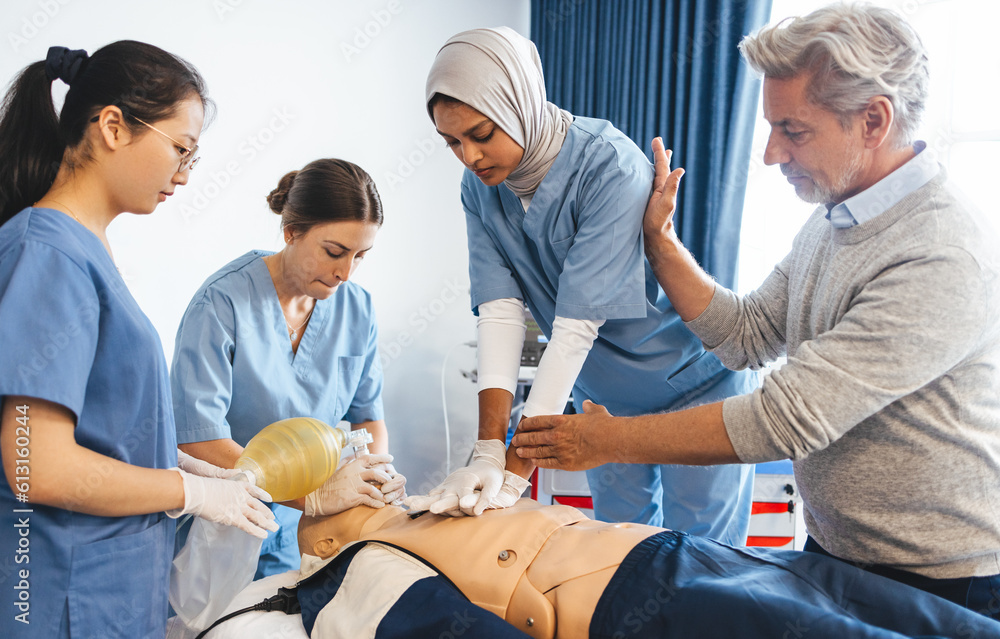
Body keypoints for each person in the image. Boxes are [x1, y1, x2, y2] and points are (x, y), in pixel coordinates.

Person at [513, 4, 1000, 621]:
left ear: (873, 120)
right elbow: (746, 336)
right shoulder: (834, 220)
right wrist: (661, 246)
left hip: (938, 579)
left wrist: (608, 441)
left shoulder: (941, 252)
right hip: (835, 549)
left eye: (793, 131)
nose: (771, 154)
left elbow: (786, 420)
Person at [405, 27, 758, 544]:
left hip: (693, 388)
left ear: (518, 103)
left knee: (703, 560)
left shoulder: (608, 165)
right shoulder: (481, 190)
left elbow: (574, 329)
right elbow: (501, 314)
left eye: (482, 134)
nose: (470, 156)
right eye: (452, 142)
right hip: (603, 401)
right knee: (620, 553)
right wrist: (485, 450)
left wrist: (509, 475)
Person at [0, 43, 278, 638]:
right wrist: (188, 492)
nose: (184, 172)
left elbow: (104, 428)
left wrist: (189, 470)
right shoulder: (48, 254)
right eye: (181, 149)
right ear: (112, 127)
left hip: (111, 591)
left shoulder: (83, 251)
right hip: (60, 597)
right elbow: (35, 465)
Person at [283, 500, 1000, 638]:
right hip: (636, 597)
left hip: (682, 550)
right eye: (345, 476)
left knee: (919, 614)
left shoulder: (426, 501)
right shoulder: (360, 564)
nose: (369, 464)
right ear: (321, 535)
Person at [170, 158, 406, 579]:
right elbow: (198, 439)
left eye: (360, 256)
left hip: (307, 527)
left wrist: (374, 479)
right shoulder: (222, 304)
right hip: (223, 521)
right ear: (291, 232)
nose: (344, 273)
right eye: (334, 252)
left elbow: (366, 416)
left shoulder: (356, 308)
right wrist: (313, 494)